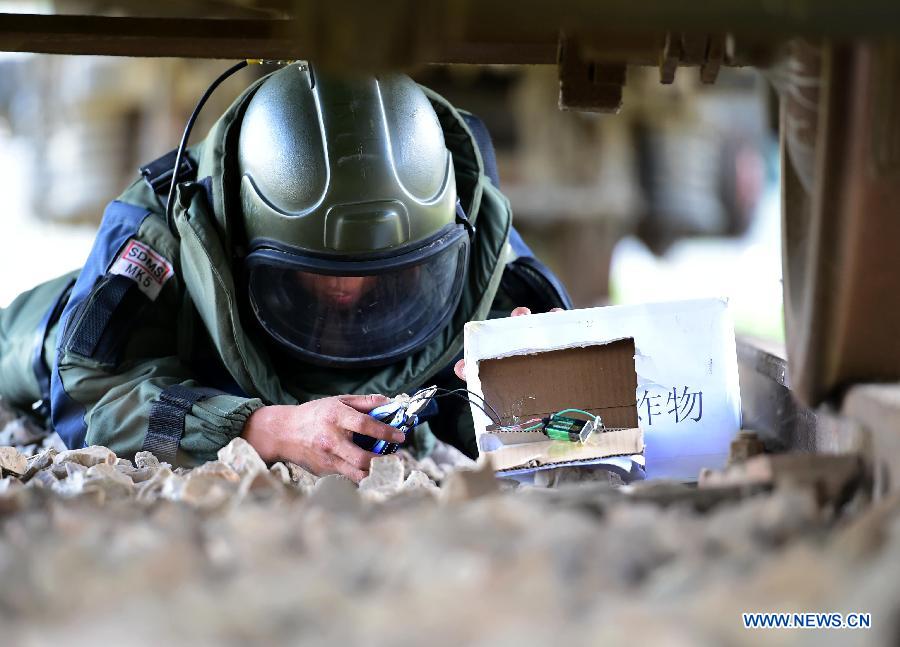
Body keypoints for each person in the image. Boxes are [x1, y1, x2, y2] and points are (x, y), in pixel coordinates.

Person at [0, 63, 570, 481]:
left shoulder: (473, 233)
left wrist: (513, 390)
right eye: (318, 280)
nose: (348, 298)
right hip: (196, 358)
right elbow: (92, 392)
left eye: (383, 283)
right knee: (40, 339)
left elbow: (588, 417)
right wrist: (261, 430)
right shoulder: (170, 224)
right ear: (239, 243)